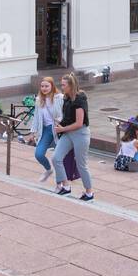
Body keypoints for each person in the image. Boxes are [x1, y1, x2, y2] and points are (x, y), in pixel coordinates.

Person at [51, 72, 93, 200]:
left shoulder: (79, 99)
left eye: (64, 85)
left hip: (80, 134)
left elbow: (79, 123)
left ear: (70, 86)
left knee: (81, 164)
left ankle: (89, 192)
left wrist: (62, 128)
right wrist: (60, 122)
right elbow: (69, 118)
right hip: (68, 133)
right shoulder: (66, 98)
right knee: (56, 158)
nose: (61, 87)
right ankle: (66, 186)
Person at [29, 76, 63, 182]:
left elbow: (65, 113)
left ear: (52, 86)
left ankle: (61, 182)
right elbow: (36, 117)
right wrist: (33, 132)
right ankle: (48, 170)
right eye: (42, 86)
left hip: (59, 129)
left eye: (46, 86)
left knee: (58, 158)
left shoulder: (60, 98)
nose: (44, 88)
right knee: (38, 154)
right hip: (46, 130)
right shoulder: (39, 100)